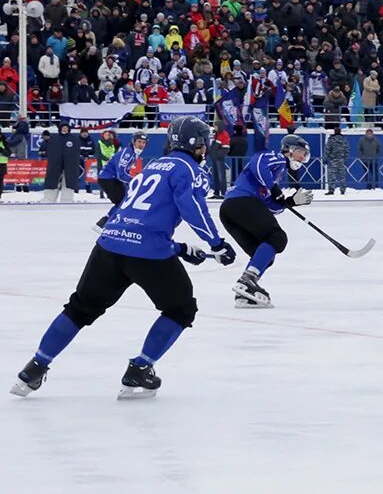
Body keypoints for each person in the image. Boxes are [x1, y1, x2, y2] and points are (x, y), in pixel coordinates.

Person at [11, 117, 236, 400]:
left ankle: (35, 367)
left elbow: (134, 215)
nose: (206, 147)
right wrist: (216, 243)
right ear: (196, 143)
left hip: (109, 245)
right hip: (147, 253)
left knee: (79, 309)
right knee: (181, 309)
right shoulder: (189, 169)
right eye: (204, 141)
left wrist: (178, 249)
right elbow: (191, 206)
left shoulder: (152, 165)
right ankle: (139, 370)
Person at [220, 134, 315, 309]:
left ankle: (245, 290)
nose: (302, 157)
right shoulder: (275, 158)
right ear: (289, 149)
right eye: (300, 152)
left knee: (264, 255)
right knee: (277, 237)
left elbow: (270, 207)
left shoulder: (277, 173)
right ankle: (248, 279)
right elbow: (258, 164)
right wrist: (274, 187)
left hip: (230, 210)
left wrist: (290, 201)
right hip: (242, 202)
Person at [96, 132, 148, 231]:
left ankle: (104, 223)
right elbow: (121, 174)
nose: (141, 145)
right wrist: (135, 181)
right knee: (123, 202)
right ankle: (106, 224)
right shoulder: (128, 153)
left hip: (110, 178)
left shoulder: (133, 153)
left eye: (143, 142)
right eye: (139, 142)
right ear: (133, 141)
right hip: (108, 179)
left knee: (124, 201)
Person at [42, 121, 84, 203]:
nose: (65, 129)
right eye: (63, 128)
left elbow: (76, 152)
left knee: (68, 181)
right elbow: (48, 148)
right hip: (55, 163)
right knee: (52, 180)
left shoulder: (74, 138)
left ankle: (67, 199)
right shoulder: (54, 138)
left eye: (66, 128)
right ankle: (49, 198)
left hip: (70, 164)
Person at [325, 123, 349, 195]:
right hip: (341, 160)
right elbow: (347, 150)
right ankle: (343, 190)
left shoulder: (331, 140)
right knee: (342, 176)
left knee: (332, 176)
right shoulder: (344, 140)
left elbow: (327, 149)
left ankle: (331, 190)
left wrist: (325, 158)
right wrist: (344, 158)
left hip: (333, 160)